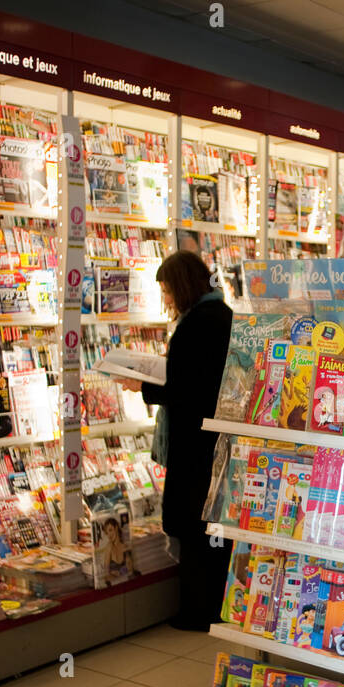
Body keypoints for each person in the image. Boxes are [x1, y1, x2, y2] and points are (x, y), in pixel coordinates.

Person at [115, 251, 233, 631]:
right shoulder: (222, 315)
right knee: (211, 527)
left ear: (181, 287)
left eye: (166, 290)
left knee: (194, 527)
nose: (165, 299)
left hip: (195, 443)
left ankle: (198, 612)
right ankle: (213, 606)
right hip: (215, 439)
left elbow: (184, 387)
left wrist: (143, 385)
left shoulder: (197, 323)